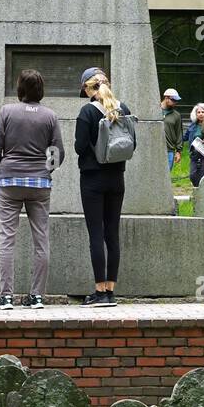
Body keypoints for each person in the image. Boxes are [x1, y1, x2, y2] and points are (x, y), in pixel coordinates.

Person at [0, 69, 65, 310]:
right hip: (39, 184)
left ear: (20, 88)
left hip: (9, 180)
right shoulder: (50, 116)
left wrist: (1, 169)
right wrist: (46, 171)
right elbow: (57, 152)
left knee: (7, 239)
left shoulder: (6, 111)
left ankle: (6, 297)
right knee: (41, 239)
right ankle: (37, 297)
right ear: (41, 89)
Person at [76, 68, 134, 306]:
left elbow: (80, 147)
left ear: (88, 89)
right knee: (112, 234)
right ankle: (111, 290)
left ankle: (100, 292)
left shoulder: (87, 111)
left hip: (92, 180)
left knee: (96, 234)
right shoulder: (124, 109)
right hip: (117, 179)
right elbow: (132, 143)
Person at [184, 102, 204, 187]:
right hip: (194, 153)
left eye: (203, 112)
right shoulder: (192, 126)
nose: (201, 114)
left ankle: (203, 192)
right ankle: (197, 189)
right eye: (198, 112)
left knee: (203, 174)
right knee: (193, 175)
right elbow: (184, 137)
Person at [160, 88, 183, 171]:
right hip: (155, 148)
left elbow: (179, 133)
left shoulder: (177, 115)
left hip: (169, 150)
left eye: (176, 100)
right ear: (166, 98)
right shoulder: (154, 111)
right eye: (173, 100)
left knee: (167, 174)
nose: (175, 102)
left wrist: (178, 151)